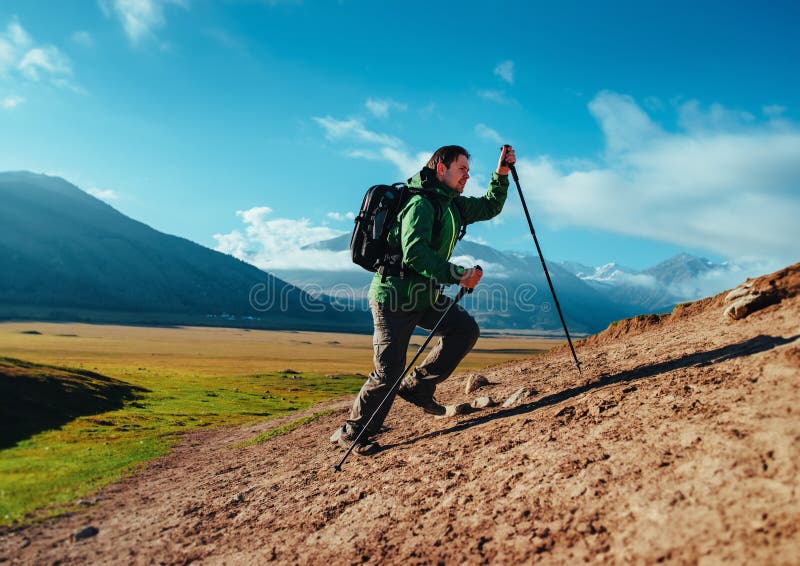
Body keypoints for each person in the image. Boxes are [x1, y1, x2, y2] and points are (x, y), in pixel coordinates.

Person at [331, 144, 516, 455]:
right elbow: (415, 254)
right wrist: (458, 274)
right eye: (462, 170)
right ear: (440, 169)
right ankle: (351, 433)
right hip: (393, 299)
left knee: (464, 330)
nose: (467, 176)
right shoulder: (421, 205)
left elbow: (489, 207)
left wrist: (501, 173)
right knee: (389, 371)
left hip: (425, 296)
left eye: (469, 171)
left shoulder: (453, 205)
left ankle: (418, 387)